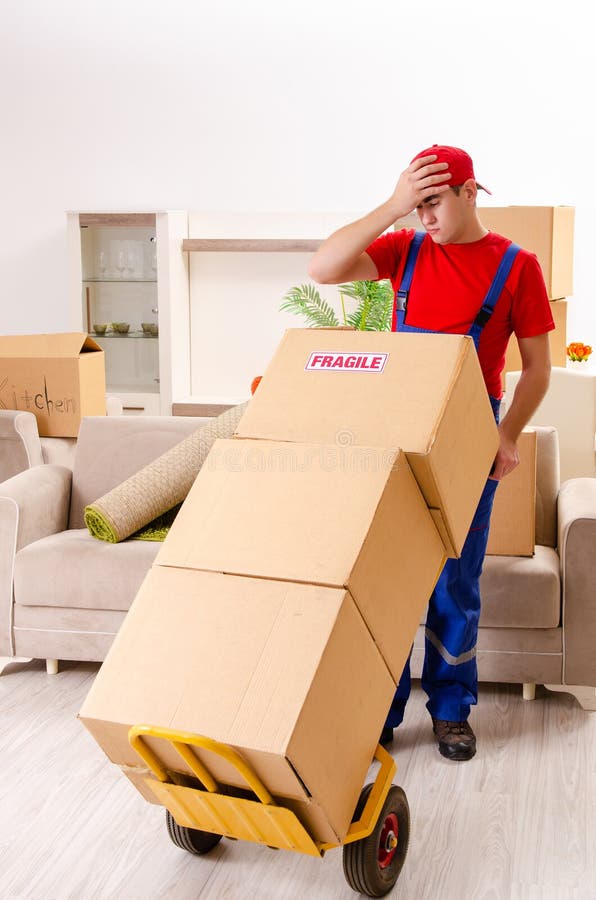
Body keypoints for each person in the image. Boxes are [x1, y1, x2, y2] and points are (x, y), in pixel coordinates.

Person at [308, 144, 554, 761]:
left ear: (470, 193)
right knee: (388, 576)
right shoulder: (406, 249)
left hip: (469, 435)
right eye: (417, 206)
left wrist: (506, 435)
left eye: (434, 203)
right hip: (398, 428)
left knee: (455, 579)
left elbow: (538, 368)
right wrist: (393, 204)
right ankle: (381, 710)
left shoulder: (517, 266)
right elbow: (323, 268)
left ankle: (450, 710)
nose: (425, 218)